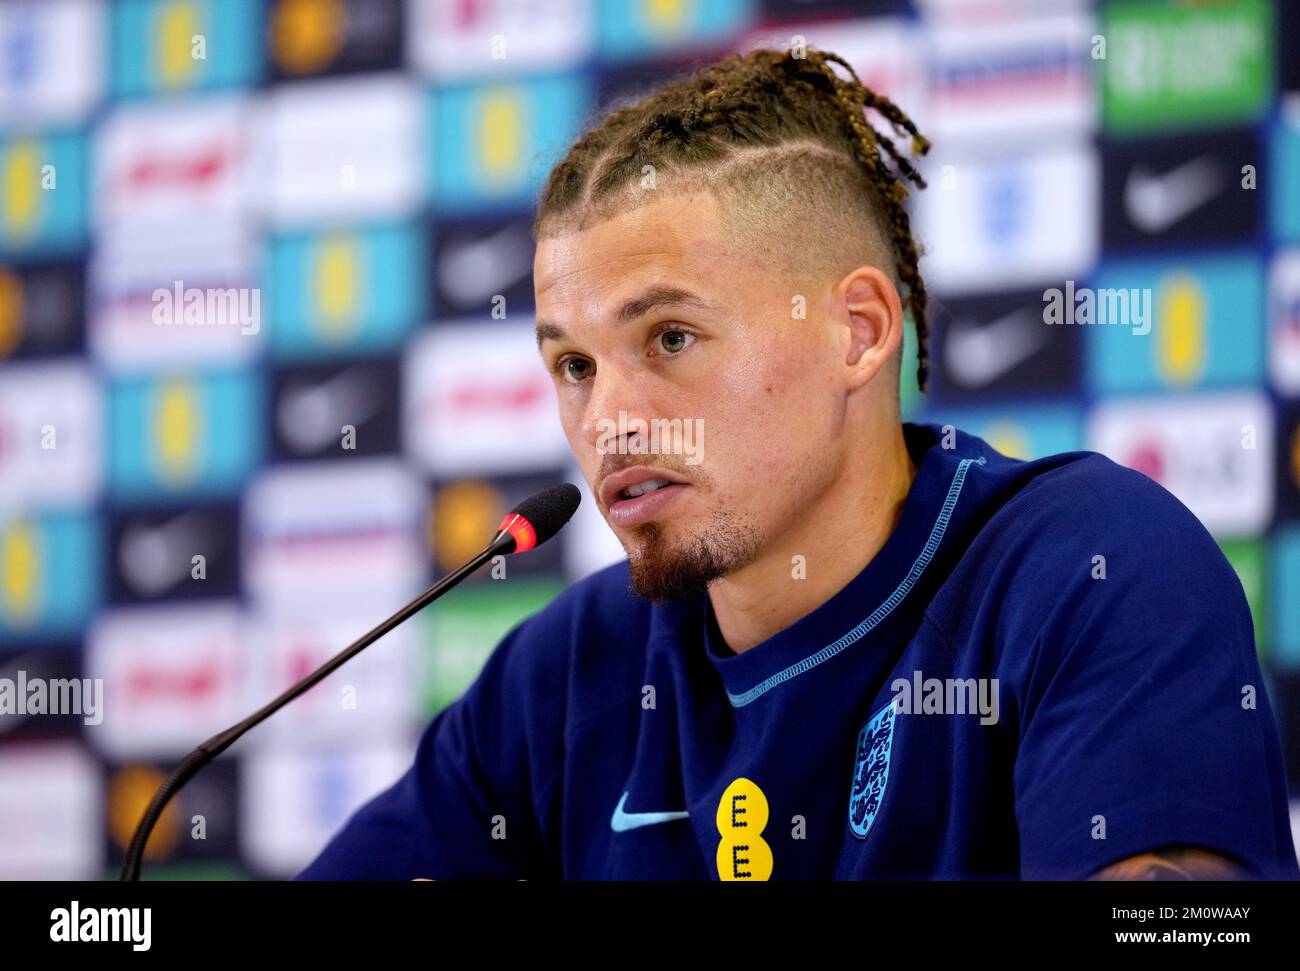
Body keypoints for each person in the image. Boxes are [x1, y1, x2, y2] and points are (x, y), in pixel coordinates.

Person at [297, 48, 1298, 880]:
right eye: (572, 364)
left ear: (858, 332)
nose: (609, 420)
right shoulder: (563, 675)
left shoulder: (1094, 571)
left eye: (672, 338)